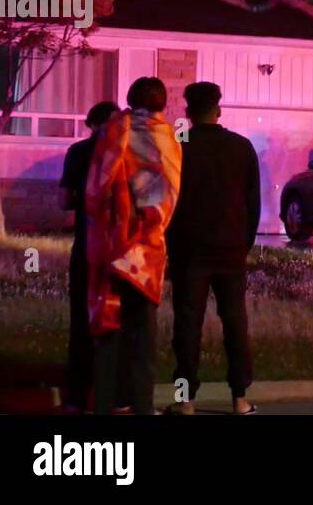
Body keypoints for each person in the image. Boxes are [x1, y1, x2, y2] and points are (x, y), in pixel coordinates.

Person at [86, 77, 182, 415]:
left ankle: (104, 404)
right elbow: (169, 194)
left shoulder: (113, 130)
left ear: (129, 98)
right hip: (149, 249)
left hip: (114, 245)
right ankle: (142, 405)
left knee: (109, 330)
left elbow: (96, 190)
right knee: (144, 333)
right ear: (163, 103)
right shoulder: (169, 139)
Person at [166, 82, 260, 415]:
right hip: (231, 249)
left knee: (187, 324)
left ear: (188, 112)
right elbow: (253, 204)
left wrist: (170, 245)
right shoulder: (241, 147)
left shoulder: (179, 148)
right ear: (218, 110)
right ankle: (240, 398)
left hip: (189, 251)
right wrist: (242, 243)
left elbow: (169, 203)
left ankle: (185, 400)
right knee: (235, 321)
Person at [59, 101, 120, 414]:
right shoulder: (124, 154)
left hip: (85, 249)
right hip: (118, 253)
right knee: (115, 324)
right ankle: (116, 396)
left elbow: (63, 200)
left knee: (81, 325)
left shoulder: (78, 152)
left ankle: (76, 398)